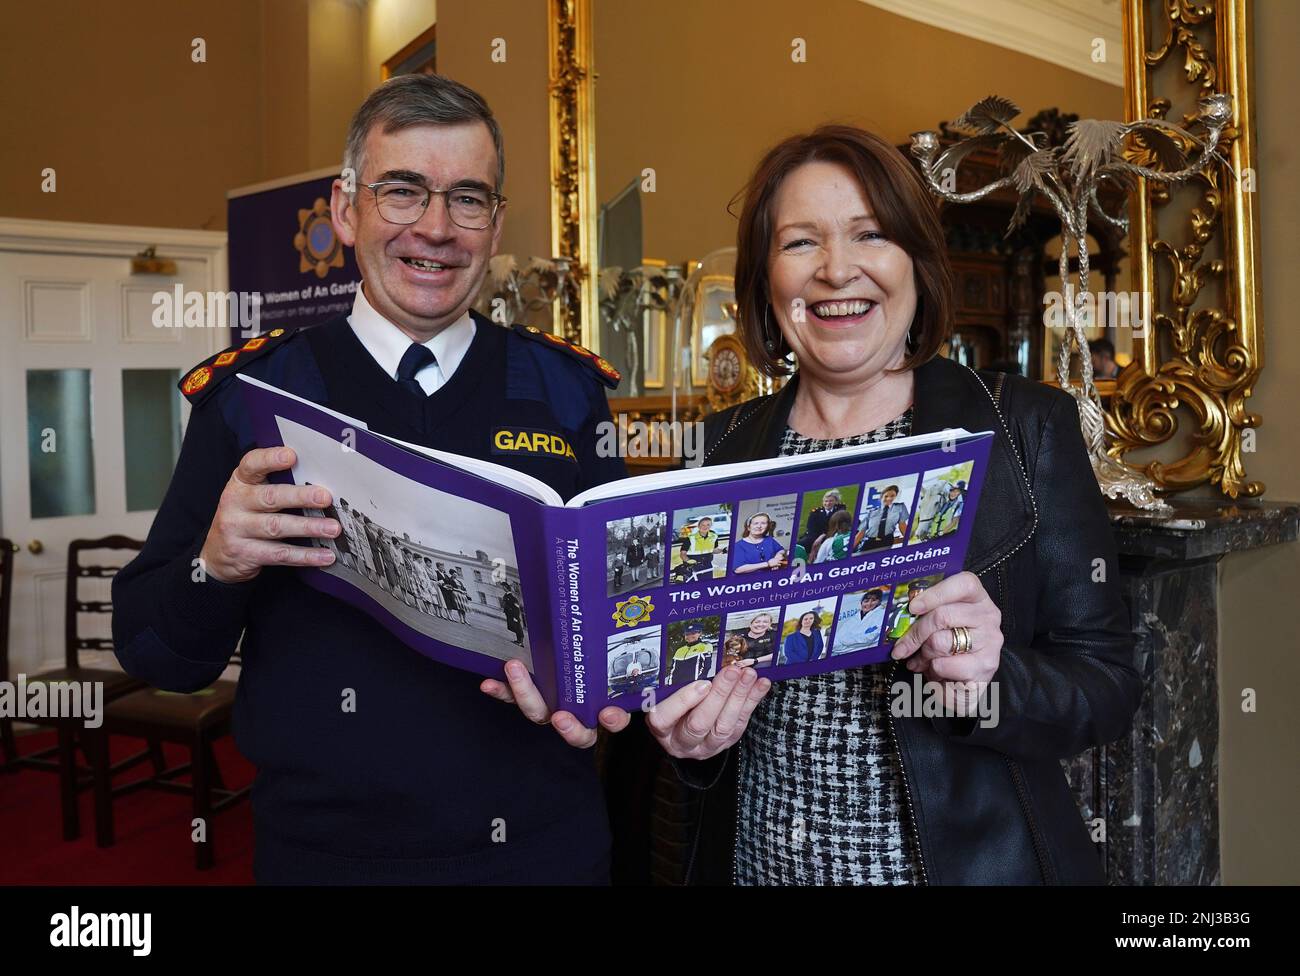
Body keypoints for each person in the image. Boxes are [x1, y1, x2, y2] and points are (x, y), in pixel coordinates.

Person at [111, 73, 632, 885]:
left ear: (495, 226)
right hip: (328, 860)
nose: (436, 227)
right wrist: (216, 564)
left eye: (467, 199)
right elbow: (157, 655)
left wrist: (602, 689)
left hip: (543, 849)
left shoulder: (568, 392)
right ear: (346, 209)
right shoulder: (253, 398)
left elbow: (619, 621)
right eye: (402, 190)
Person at [628, 124, 1141, 886]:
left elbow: (1107, 686)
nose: (837, 270)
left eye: (870, 234)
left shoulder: (1026, 428)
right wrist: (691, 745)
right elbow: (682, 705)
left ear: (916, 263)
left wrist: (988, 681)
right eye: (800, 242)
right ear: (766, 278)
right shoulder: (714, 451)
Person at [853, 484, 910, 553]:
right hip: (870, 542)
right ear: (881, 497)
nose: (889, 498)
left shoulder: (900, 508)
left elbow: (902, 526)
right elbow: (861, 532)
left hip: (886, 542)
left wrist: (910, 544)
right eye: (886, 496)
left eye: (892, 496)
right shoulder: (872, 512)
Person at [831, 590, 887, 656]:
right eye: (866, 601)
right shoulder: (854, 617)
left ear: (879, 602)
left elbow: (870, 638)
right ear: (861, 602)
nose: (869, 604)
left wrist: (844, 641)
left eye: (873, 600)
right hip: (839, 653)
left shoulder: (882, 614)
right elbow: (836, 640)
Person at [798, 490, 845, 555]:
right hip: (815, 535)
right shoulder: (815, 512)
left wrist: (823, 536)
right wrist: (817, 541)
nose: (828, 503)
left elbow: (837, 526)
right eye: (826, 501)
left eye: (831, 501)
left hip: (830, 536)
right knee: (800, 545)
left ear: (836, 502)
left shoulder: (839, 511)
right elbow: (811, 529)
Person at [676, 515, 720, 581]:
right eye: (703, 525)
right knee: (691, 586)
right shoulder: (690, 538)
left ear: (711, 526)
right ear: (699, 526)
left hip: (707, 566)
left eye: (708, 525)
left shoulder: (714, 536)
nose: (705, 527)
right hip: (692, 567)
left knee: (707, 585)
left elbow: (715, 550)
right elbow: (682, 554)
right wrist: (688, 561)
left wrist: (723, 550)